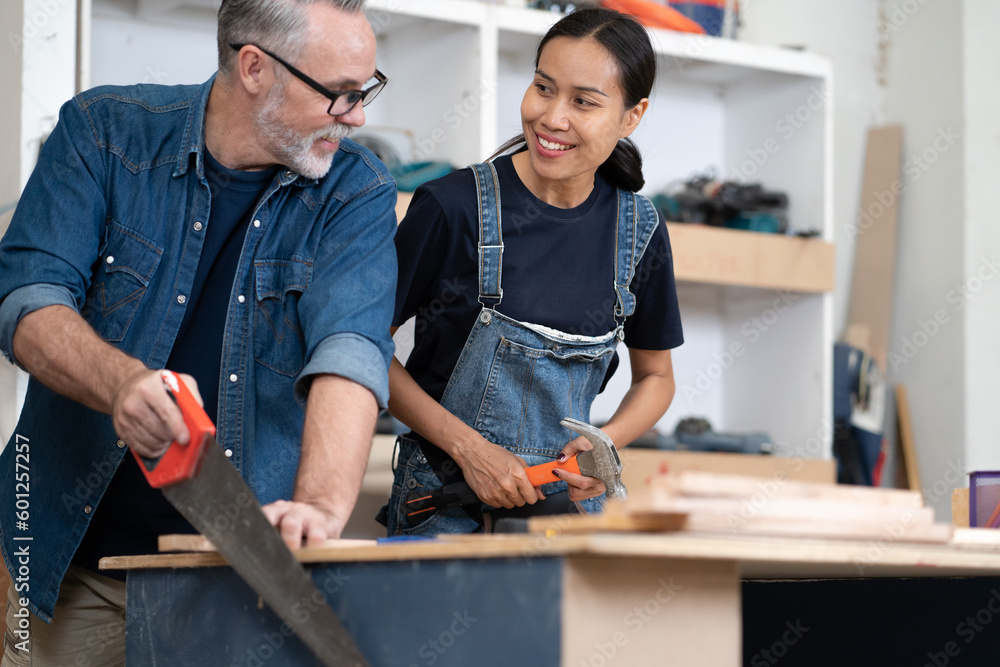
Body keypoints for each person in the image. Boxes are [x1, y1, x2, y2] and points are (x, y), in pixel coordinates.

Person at [0, 0, 395, 663]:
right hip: (62, 562)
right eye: (341, 95)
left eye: (366, 91)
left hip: (230, 579)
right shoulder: (103, 132)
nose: (357, 117)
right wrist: (121, 382)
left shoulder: (355, 192)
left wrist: (321, 509)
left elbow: (349, 349)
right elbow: (26, 299)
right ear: (255, 68)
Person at [382, 8, 683, 536]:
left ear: (632, 116)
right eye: (543, 87)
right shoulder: (453, 208)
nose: (552, 117)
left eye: (583, 102)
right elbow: (362, 347)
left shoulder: (638, 231)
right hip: (447, 506)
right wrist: (470, 449)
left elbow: (656, 377)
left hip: (569, 510)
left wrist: (605, 443)